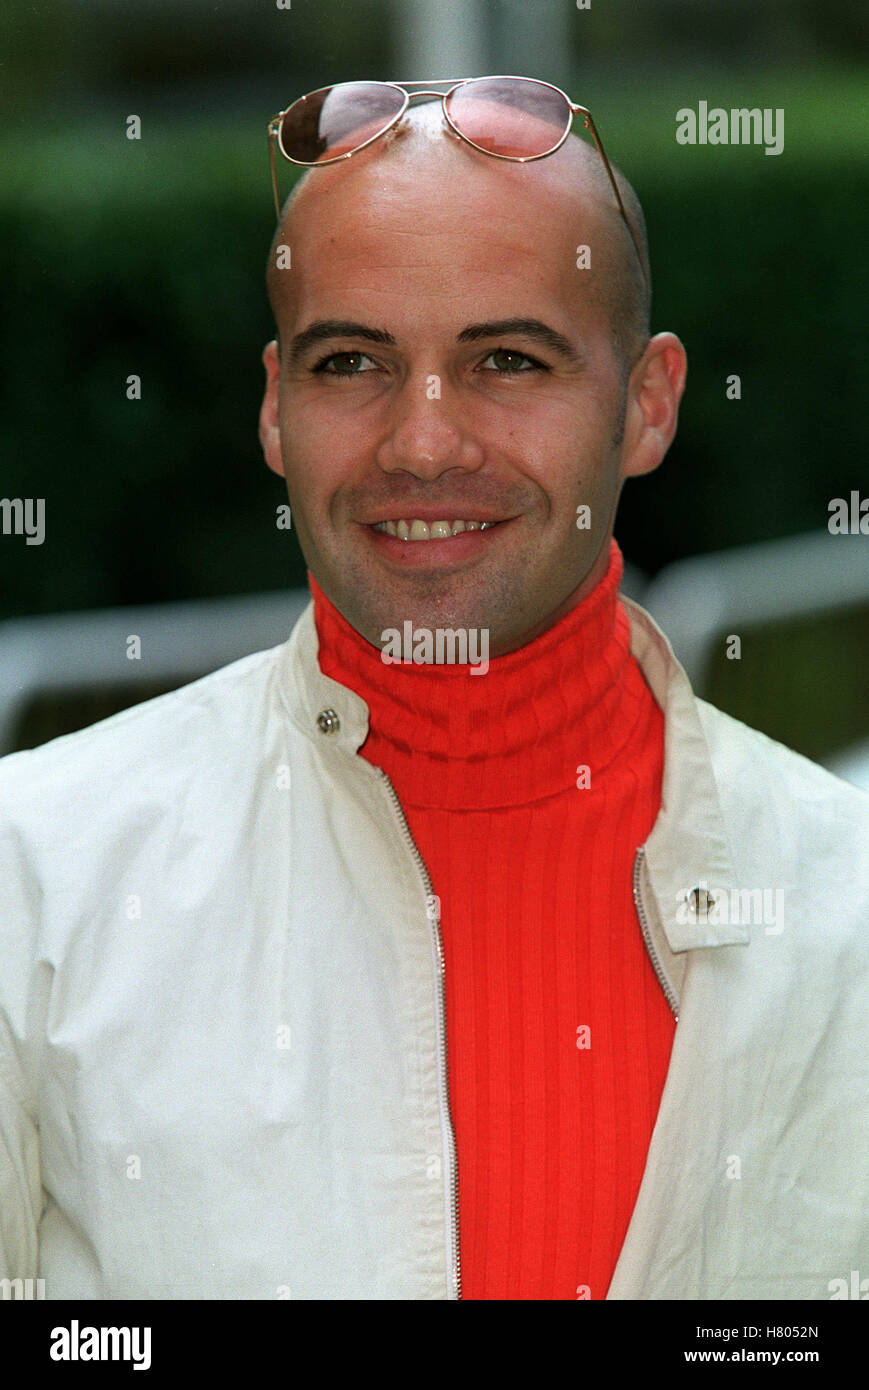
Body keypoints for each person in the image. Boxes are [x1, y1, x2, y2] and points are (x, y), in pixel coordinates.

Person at [1, 78, 867, 1302]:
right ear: (272, 407)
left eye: (506, 359)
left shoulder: (842, 905)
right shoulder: (34, 876)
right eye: (350, 360)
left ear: (648, 403)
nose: (422, 442)